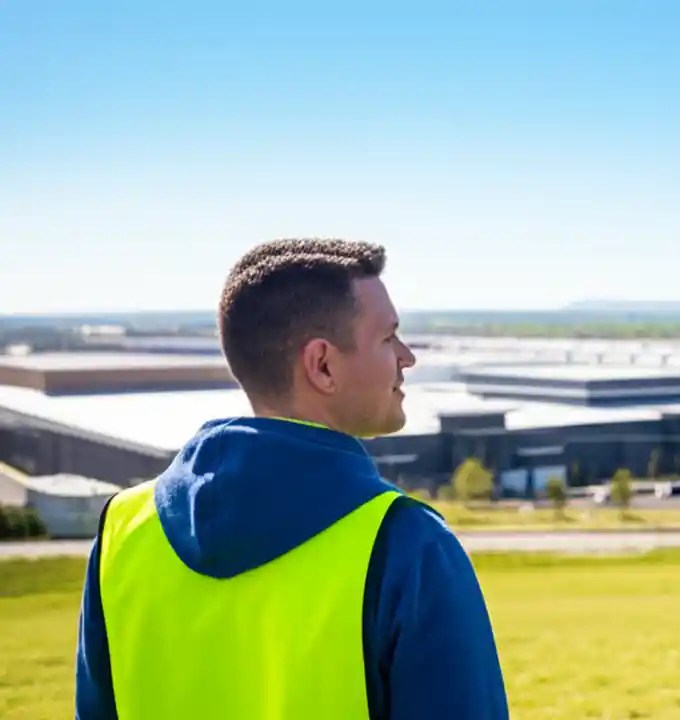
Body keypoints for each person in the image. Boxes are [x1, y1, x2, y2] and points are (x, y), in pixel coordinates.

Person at [75, 239, 508, 719]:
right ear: (322, 365)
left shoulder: (123, 533)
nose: (407, 357)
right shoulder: (409, 546)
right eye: (388, 338)